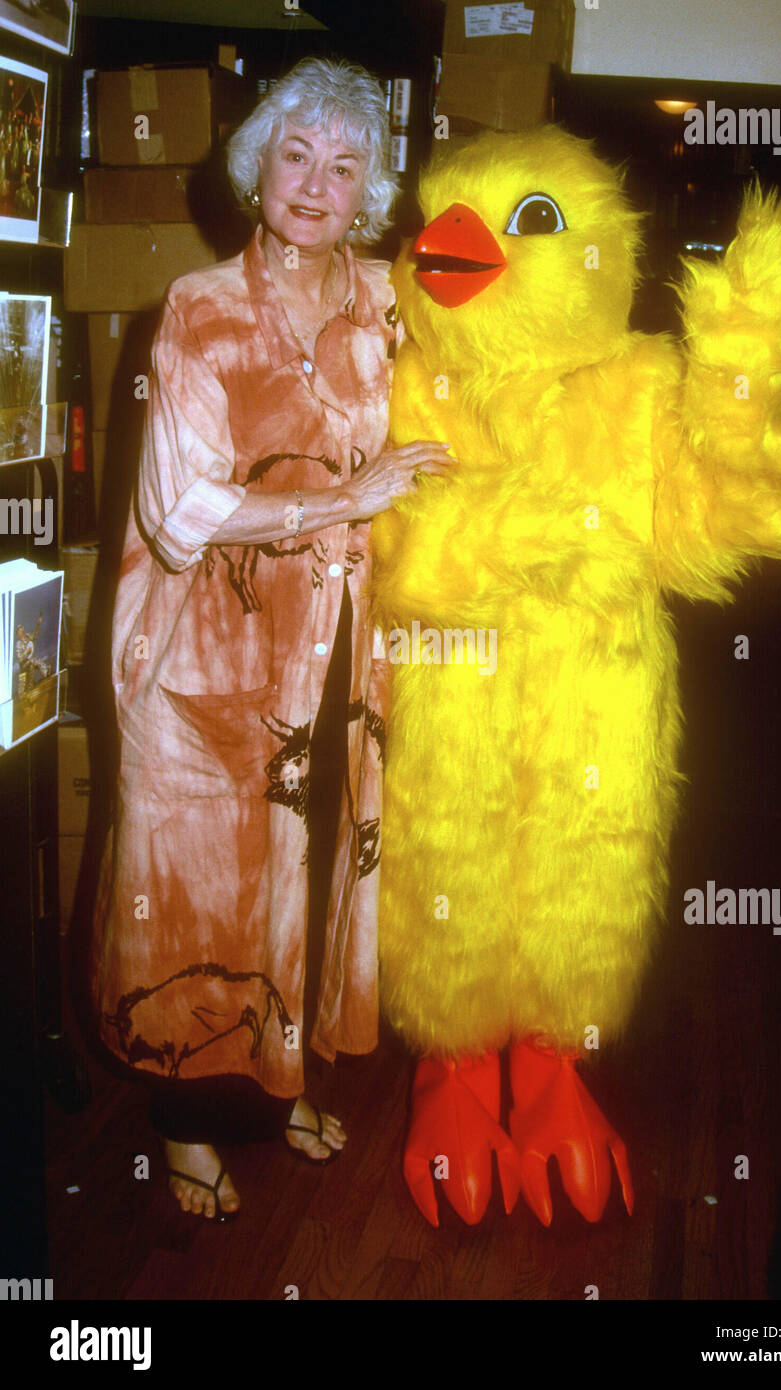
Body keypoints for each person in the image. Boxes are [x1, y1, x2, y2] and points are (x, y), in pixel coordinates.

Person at [90, 57, 454, 1220]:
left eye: (345, 163)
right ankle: (191, 1122)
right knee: (204, 890)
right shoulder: (197, 308)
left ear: (367, 190)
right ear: (257, 167)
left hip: (337, 644)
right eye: (295, 154)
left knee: (310, 866)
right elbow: (178, 508)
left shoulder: (389, 303)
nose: (316, 181)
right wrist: (346, 498)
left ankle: (282, 1075)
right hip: (208, 657)